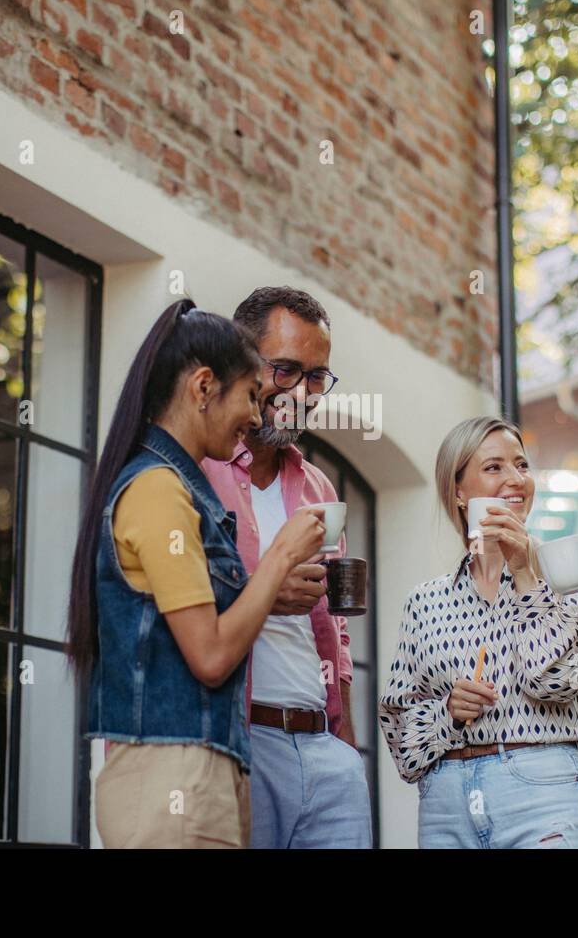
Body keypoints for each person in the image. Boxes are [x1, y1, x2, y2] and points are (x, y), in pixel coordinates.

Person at [67, 298, 325, 848]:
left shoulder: (182, 489)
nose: (257, 417)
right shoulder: (159, 490)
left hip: (204, 771)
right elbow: (209, 657)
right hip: (174, 780)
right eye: (250, 396)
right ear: (204, 387)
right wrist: (279, 560)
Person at [378, 416, 578, 848]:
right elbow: (401, 737)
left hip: (543, 791)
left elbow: (553, 682)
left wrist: (524, 573)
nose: (515, 479)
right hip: (445, 801)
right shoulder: (426, 602)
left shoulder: (567, 576)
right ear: (459, 492)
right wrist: (448, 711)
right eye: (494, 467)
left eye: (521, 465)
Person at [201, 286, 372, 848]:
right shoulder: (201, 470)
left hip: (324, 749)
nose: (301, 392)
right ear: (241, 362)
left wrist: (344, 740)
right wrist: (265, 590)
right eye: (285, 370)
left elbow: (337, 636)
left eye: (317, 376)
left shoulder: (319, 487)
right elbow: (171, 599)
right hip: (240, 738)